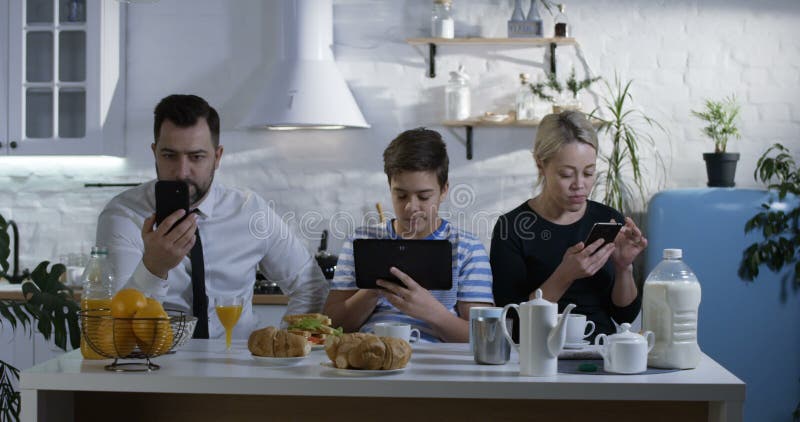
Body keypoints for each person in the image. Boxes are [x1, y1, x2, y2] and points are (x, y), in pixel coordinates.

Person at [96, 94, 328, 340]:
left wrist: (284, 345)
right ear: (154, 153)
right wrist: (154, 268)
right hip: (158, 366)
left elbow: (310, 286)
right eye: (169, 155)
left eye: (196, 157)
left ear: (217, 157)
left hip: (240, 365)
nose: (181, 172)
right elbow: (112, 326)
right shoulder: (124, 215)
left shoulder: (249, 210)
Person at [324, 128, 494, 342]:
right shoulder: (363, 242)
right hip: (371, 357)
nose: (410, 207)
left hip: (434, 363)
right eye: (401, 195)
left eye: (423, 196)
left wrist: (431, 311)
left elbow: (485, 337)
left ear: (444, 190)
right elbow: (331, 324)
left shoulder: (466, 248)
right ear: (389, 187)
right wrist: (373, 289)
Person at [490, 111, 647, 340]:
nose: (579, 185)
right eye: (566, 174)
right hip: (538, 353)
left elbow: (625, 316)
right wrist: (565, 275)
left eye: (589, 173)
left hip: (600, 350)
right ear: (540, 164)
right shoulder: (512, 227)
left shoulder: (607, 219)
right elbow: (512, 321)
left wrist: (624, 267)